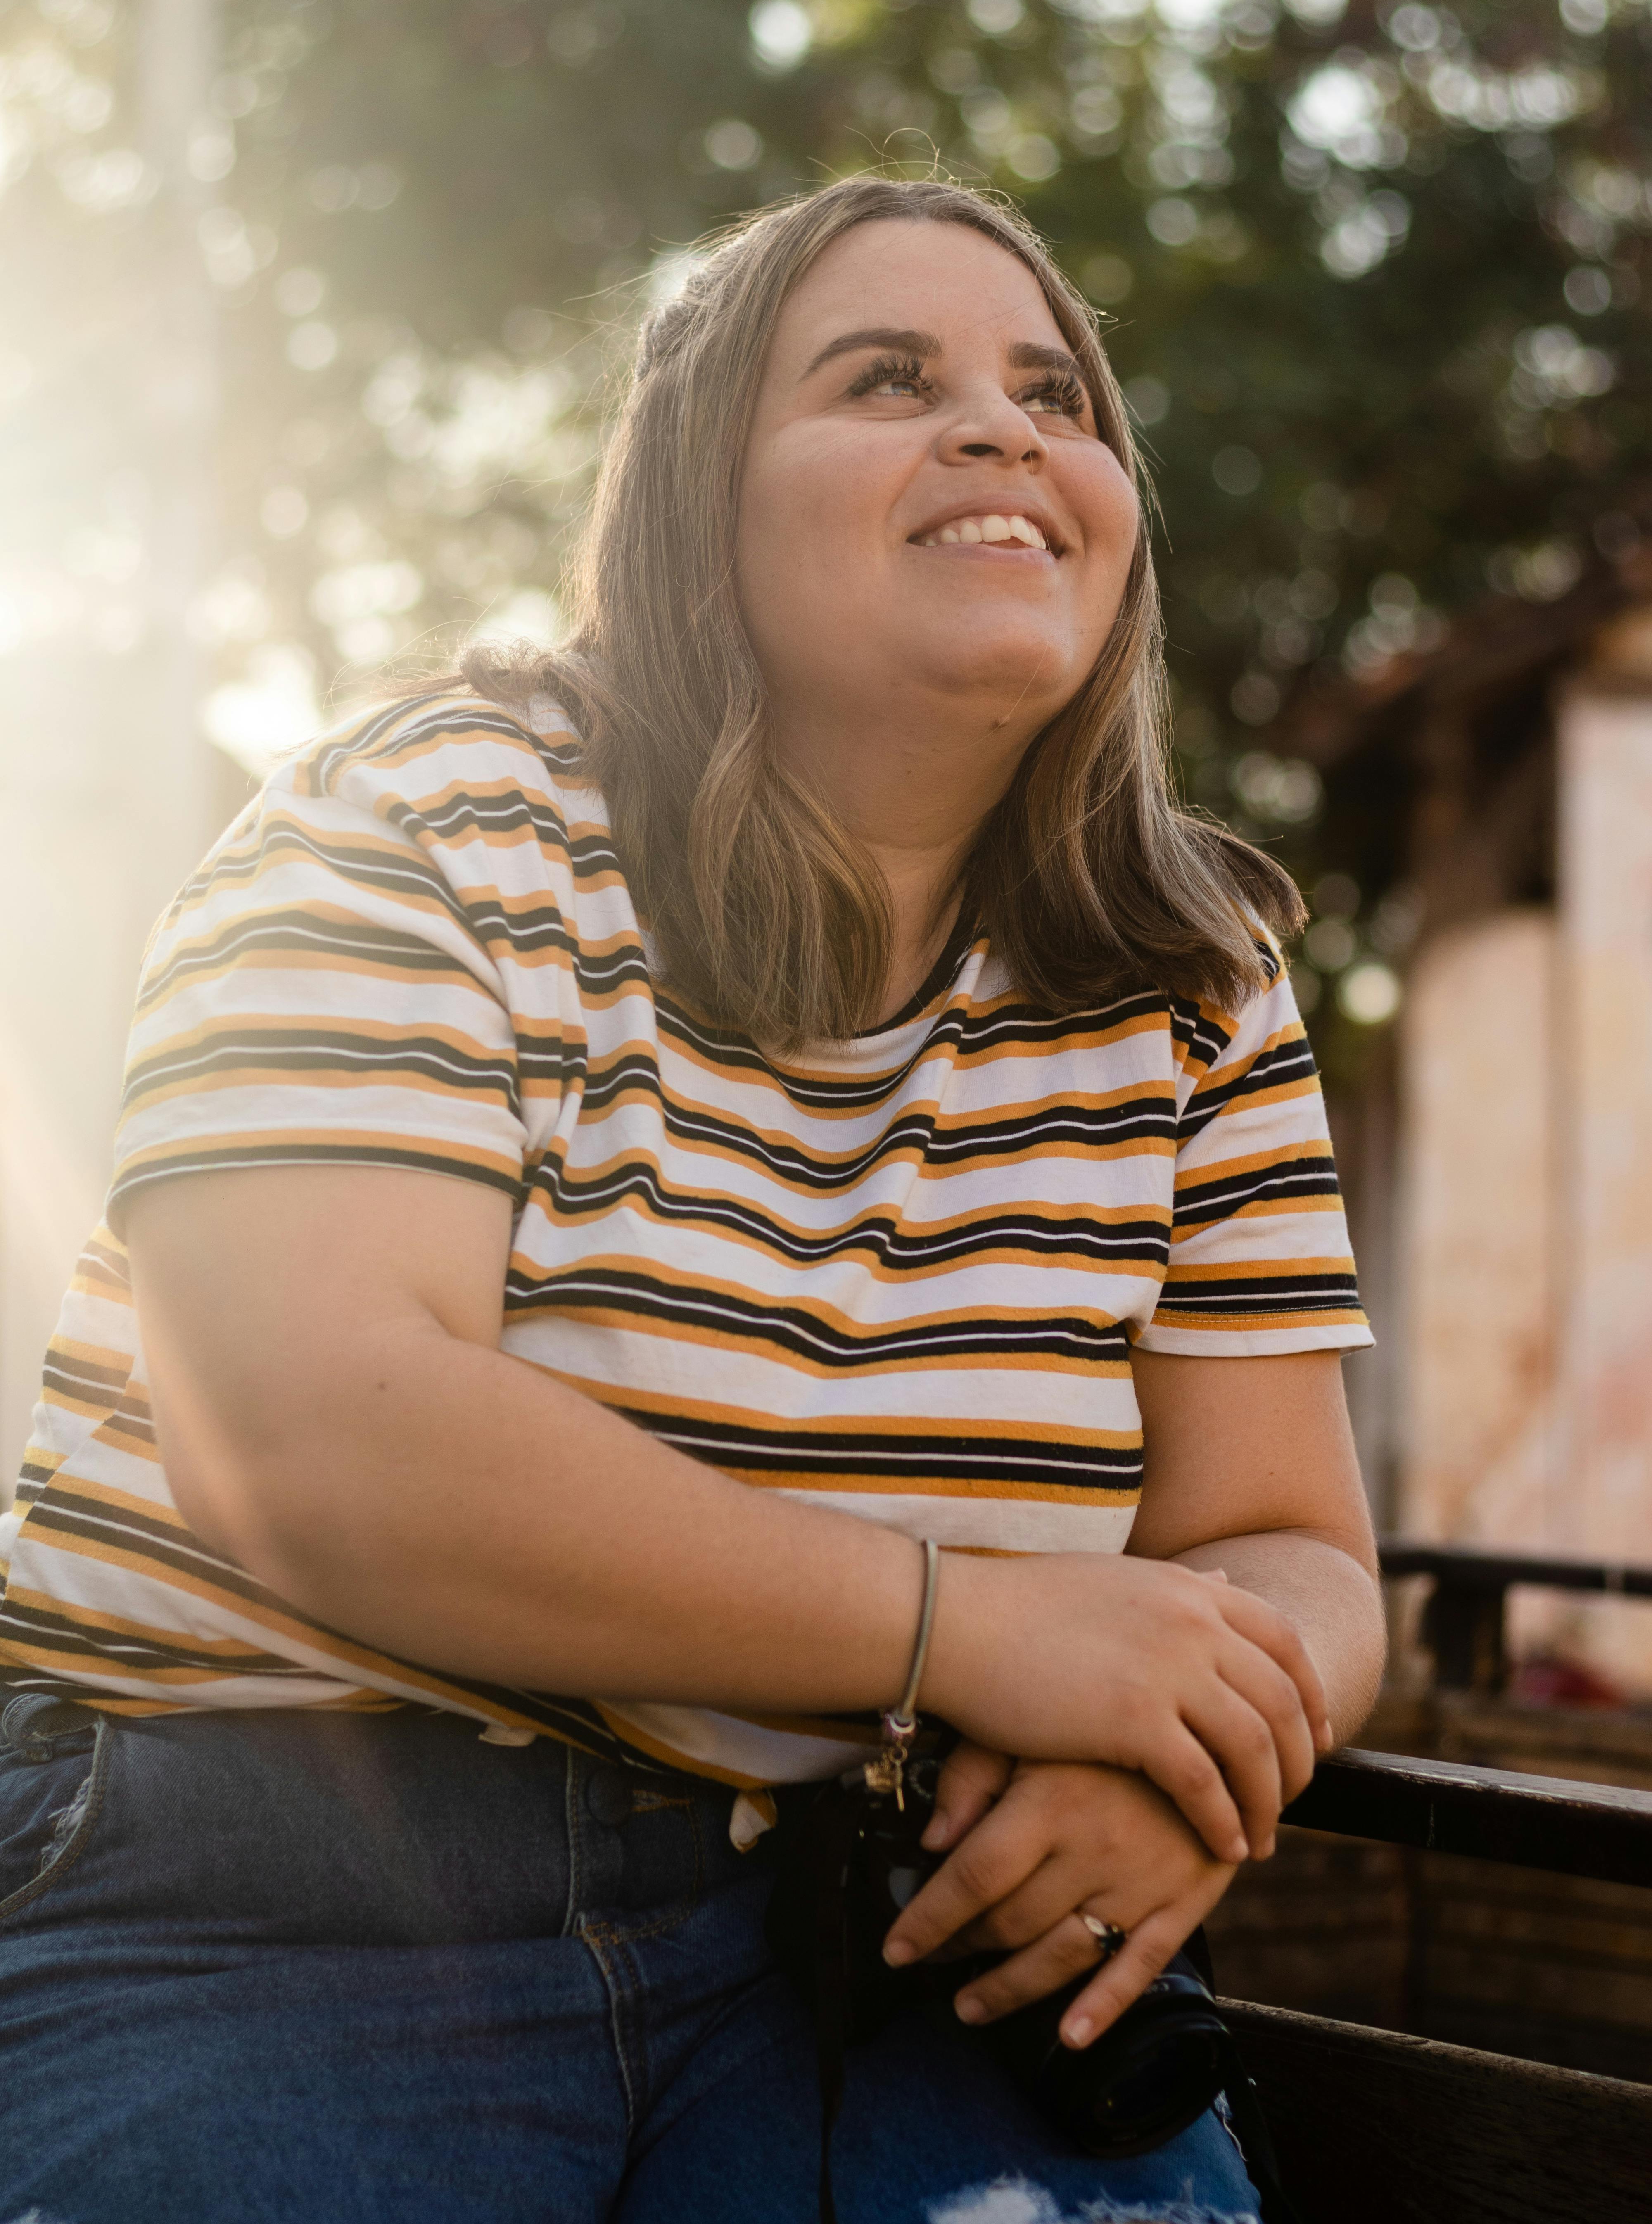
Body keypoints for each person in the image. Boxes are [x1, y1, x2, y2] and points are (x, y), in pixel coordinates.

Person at [0, 173, 1384, 2224]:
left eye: (1054, 396)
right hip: (281, 1889)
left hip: (883, 1926)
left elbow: (1285, 1544)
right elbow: (314, 1448)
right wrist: (984, 1636)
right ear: (691, 504)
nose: (1005, 429)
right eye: (884, 377)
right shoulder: (414, 827)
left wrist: (1172, 1757)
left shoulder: (1188, 979)